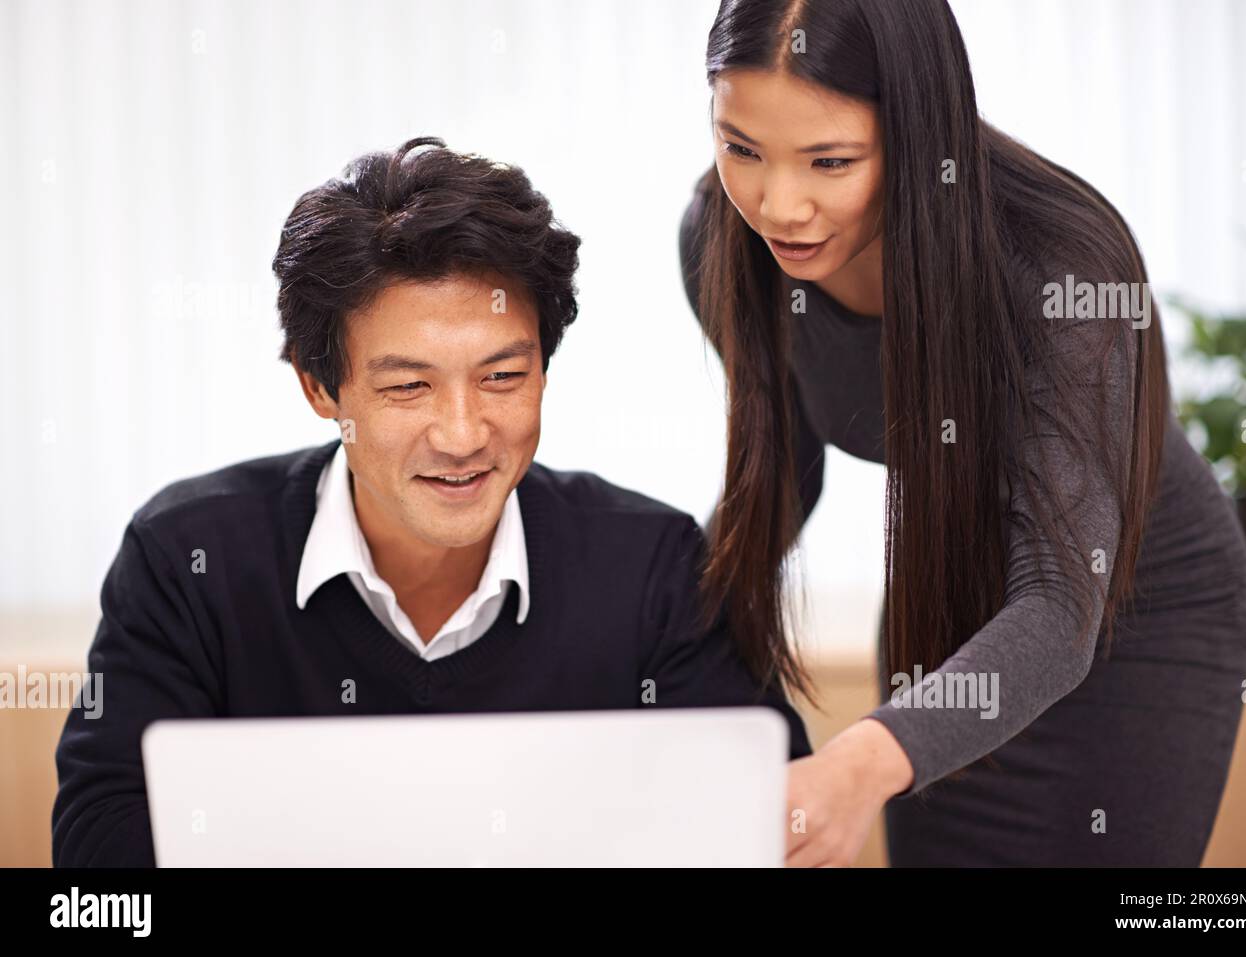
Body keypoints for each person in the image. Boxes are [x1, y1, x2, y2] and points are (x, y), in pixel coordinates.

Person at [53, 136, 811, 867]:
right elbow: (99, 851)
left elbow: (766, 826)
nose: (461, 434)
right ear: (321, 388)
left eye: (503, 377)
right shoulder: (189, 561)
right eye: (408, 386)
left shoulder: (652, 566)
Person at [679, 0, 1246, 866]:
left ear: (919, 128)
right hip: (943, 616)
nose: (777, 205)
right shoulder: (721, 240)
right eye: (741, 148)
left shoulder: (1060, 263)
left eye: (830, 160)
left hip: (1129, 620)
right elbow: (786, 477)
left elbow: (1061, 608)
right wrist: (650, 621)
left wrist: (862, 761)